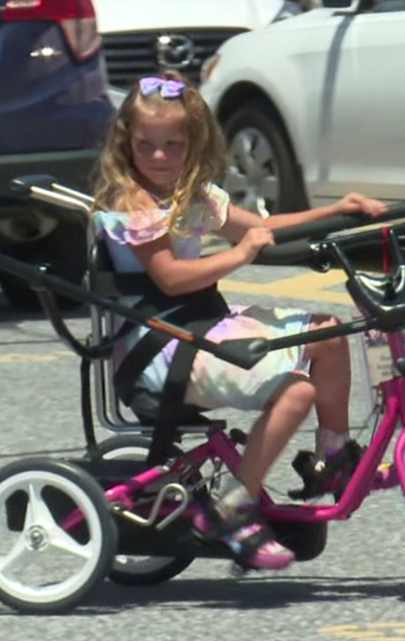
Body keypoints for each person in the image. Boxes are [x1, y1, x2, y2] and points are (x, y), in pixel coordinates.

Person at [90, 70, 389, 567]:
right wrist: (241, 254)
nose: (160, 157)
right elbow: (170, 278)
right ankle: (231, 506)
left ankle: (331, 458)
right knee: (297, 390)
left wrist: (336, 210)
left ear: (193, 143)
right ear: (126, 144)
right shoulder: (132, 202)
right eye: (147, 146)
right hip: (160, 347)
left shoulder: (194, 194)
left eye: (173, 145)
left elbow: (264, 226)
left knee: (328, 334)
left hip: (200, 328)